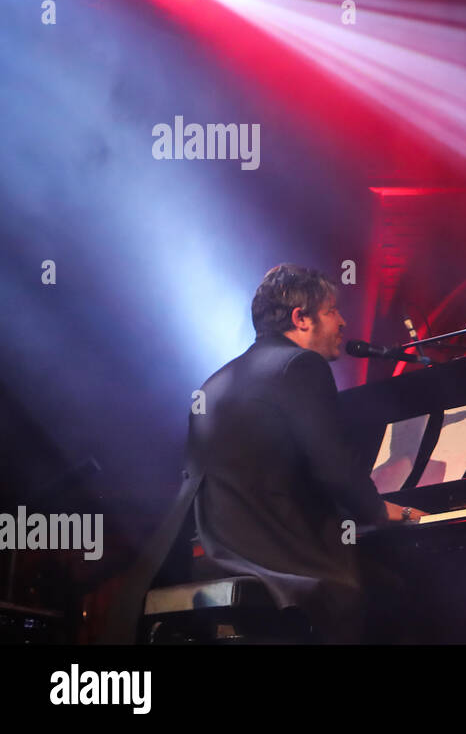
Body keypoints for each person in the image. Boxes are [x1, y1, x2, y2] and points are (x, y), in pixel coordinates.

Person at [108, 265, 423, 643]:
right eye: (332, 310)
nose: (343, 322)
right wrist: (383, 509)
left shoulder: (214, 381)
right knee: (404, 587)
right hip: (279, 558)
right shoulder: (301, 366)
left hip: (217, 553)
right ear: (300, 318)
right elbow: (333, 469)